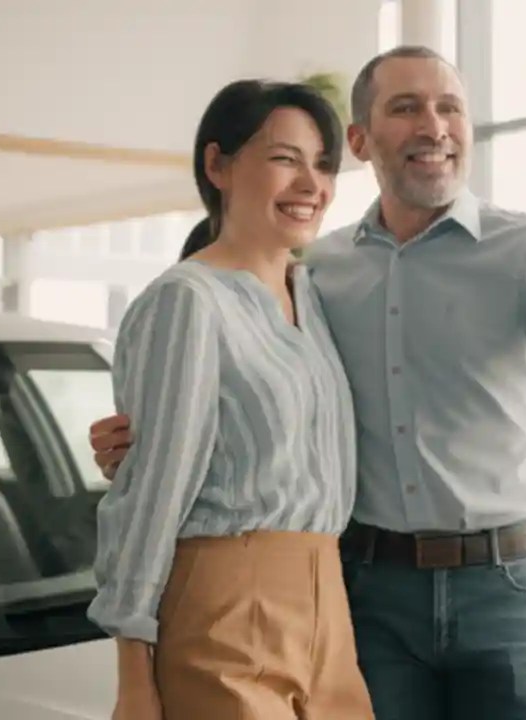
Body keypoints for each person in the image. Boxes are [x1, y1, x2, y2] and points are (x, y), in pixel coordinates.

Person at [88, 46, 526, 719]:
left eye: (449, 107)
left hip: (502, 590)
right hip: (366, 594)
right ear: (362, 140)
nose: (434, 126)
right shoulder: (318, 272)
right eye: (406, 108)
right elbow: (208, 400)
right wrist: (146, 439)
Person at [87, 79, 374, 720]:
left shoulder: (314, 297)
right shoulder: (187, 301)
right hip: (225, 606)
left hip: (328, 602)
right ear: (218, 165)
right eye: (284, 158)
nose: (312, 184)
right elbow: (151, 494)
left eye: (324, 164)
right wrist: (135, 680)